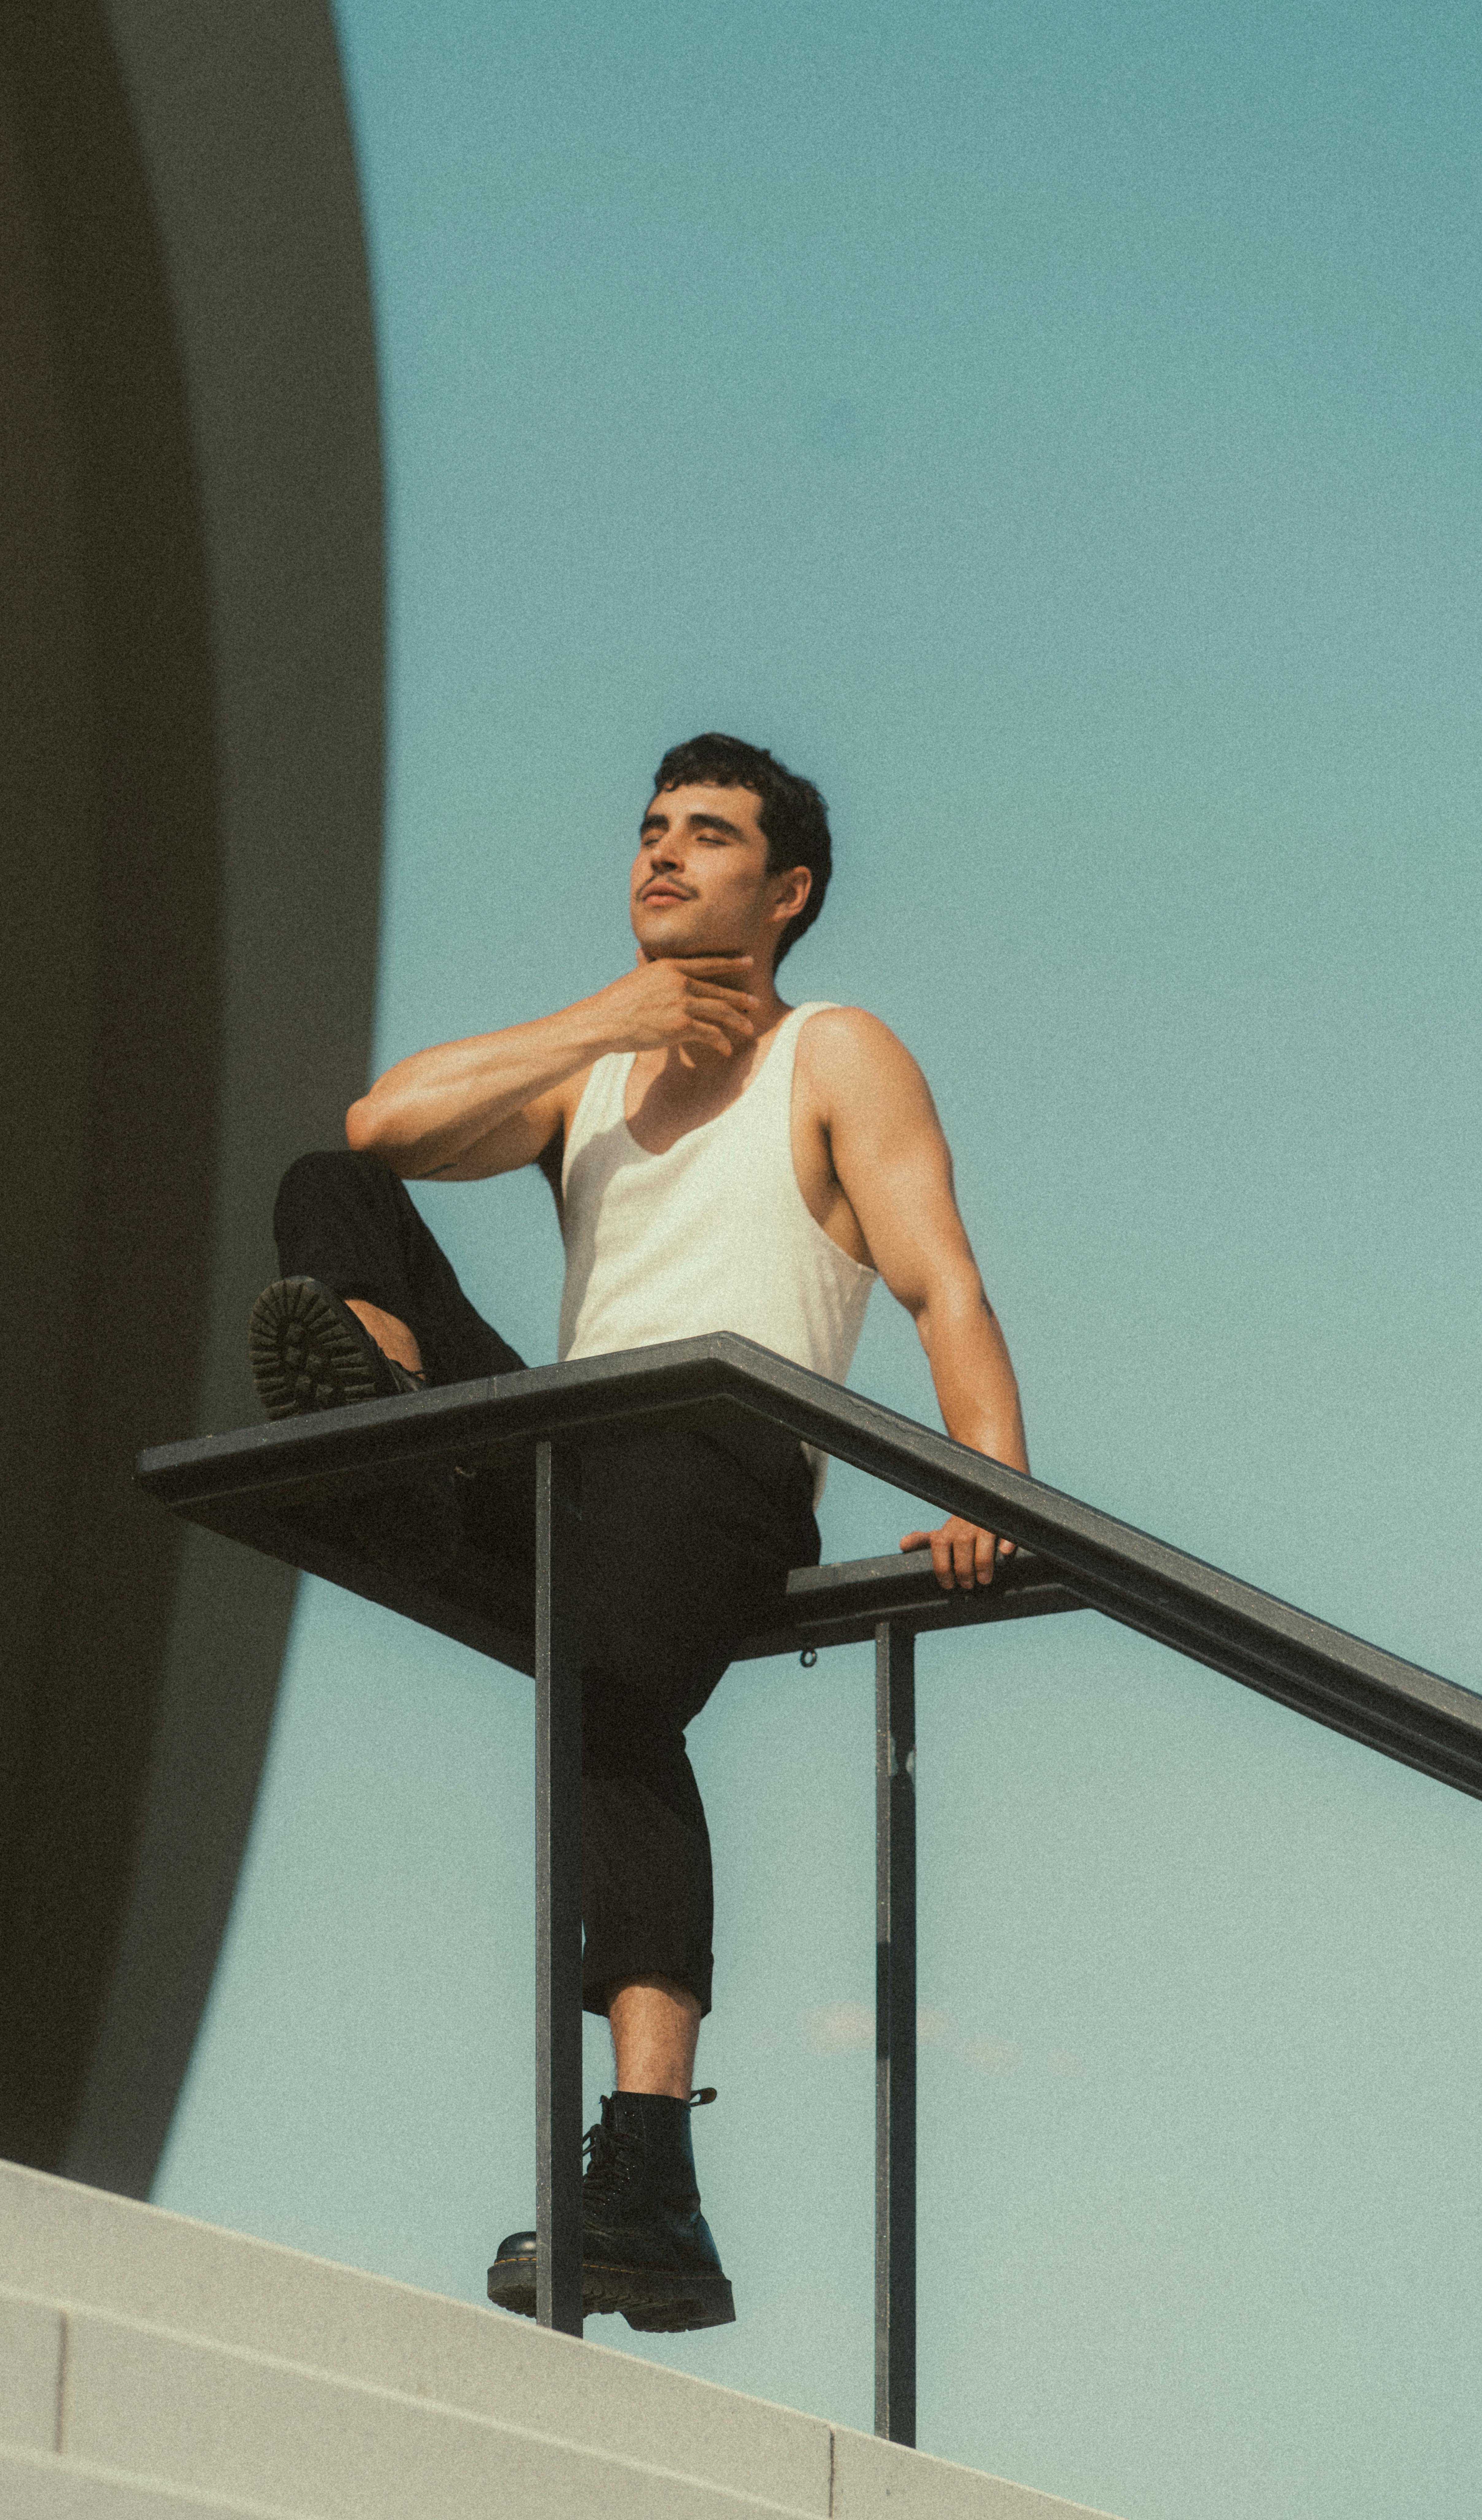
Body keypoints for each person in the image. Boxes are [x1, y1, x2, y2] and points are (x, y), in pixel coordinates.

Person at [249, 731, 1029, 2334]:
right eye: (652, 826)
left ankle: (650, 2175)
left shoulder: (832, 1051)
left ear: (786, 891)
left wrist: (988, 1485)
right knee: (330, 1184)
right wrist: (610, 1018)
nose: (664, 851)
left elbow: (938, 1277)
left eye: (710, 834)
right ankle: (381, 1419)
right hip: (562, 1444)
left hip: (715, 1450)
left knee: (605, 1700)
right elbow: (386, 1126)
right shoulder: (592, 1074)